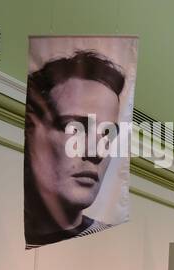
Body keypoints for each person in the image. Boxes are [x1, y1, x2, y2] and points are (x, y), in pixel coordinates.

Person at [24, 49, 127, 248]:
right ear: (31, 130)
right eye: (76, 128)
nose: (96, 152)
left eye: (108, 134)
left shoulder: (107, 245)